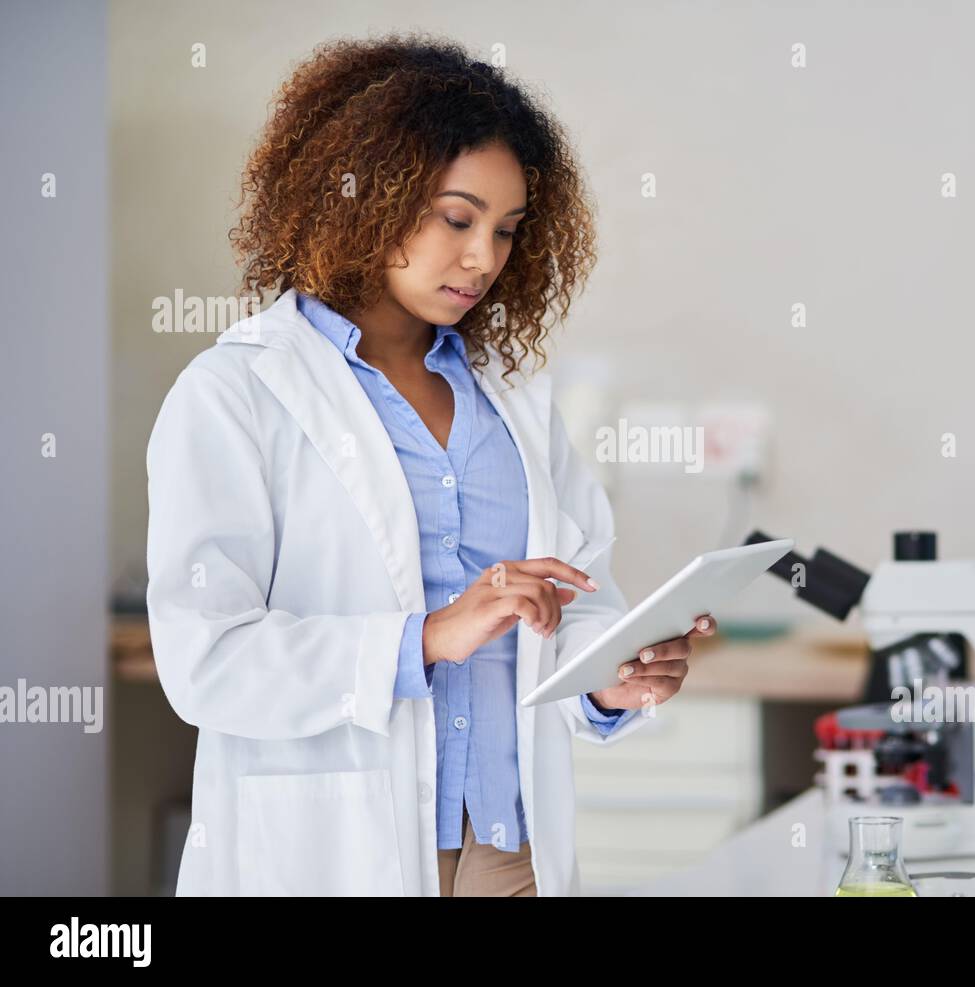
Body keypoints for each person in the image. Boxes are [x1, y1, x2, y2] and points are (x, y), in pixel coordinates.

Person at [146, 33, 713, 896]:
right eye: (458, 218)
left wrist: (616, 678)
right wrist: (425, 639)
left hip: (506, 853)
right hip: (333, 852)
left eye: (508, 230)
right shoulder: (236, 391)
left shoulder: (511, 402)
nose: (484, 258)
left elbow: (575, 598)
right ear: (367, 196)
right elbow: (207, 658)